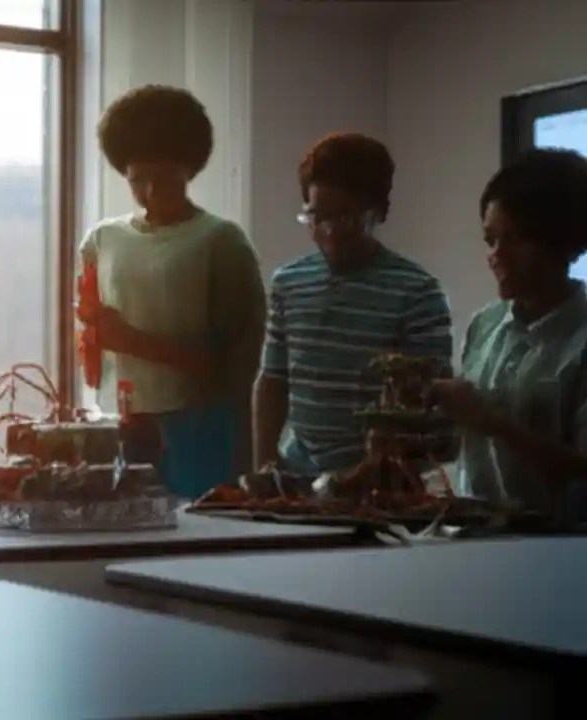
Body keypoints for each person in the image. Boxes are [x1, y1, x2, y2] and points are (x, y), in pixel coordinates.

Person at [80, 85, 266, 498]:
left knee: (202, 524)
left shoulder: (220, 241)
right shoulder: (103, 240)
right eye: (137, 180)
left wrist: (132, 341)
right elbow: (91, 345)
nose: (149, 192)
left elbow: (235, 363)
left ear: (187, 170)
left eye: (162, 179)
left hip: (202, 429)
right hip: (123, 422)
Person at [254, 133, 454, 477]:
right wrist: (264, 466)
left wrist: (372, 472)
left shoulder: (416, 292)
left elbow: (427, 406)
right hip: (299, 474)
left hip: (381, 482)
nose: (330, 232)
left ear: (378, 212)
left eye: (345, 218)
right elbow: (273, 380)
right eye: (317, 218)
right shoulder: (289, 282)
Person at [432, 148, 587, 520]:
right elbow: (460, 447)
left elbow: (582, 475)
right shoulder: (484, 325)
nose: (496, 255)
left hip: (559, 545)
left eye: (515, 239)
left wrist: (491, 421)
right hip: (476, 536)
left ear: (564, 243)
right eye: (490, 240)